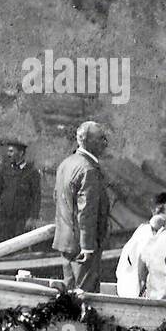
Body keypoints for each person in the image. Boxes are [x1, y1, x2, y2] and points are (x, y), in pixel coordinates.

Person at [53, 121, 110, 292]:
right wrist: (87, 246)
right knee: (85, 296)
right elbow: (86, 212)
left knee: (70, 293)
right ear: (89, 141)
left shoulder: (66, 164)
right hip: (82, 247)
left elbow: (58, 198)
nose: (105, 143)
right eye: (101, 139)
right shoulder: (88, 170)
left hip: (65, 241)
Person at [115, 192, 166, 298]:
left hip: (124, 287)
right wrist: (142, 288)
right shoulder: (151, 235)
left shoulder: (142, 229)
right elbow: (142, 261)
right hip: (135, 290)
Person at [0, 140, 41, 241]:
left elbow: (36, 197)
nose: (8, 154)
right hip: (5, 218)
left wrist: (32, 218)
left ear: (21, 153)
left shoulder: (32, 173)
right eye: (8, 151)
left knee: (19, 246)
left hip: (21, 219)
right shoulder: (4, 170)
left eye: (11, 151)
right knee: (3, 246)